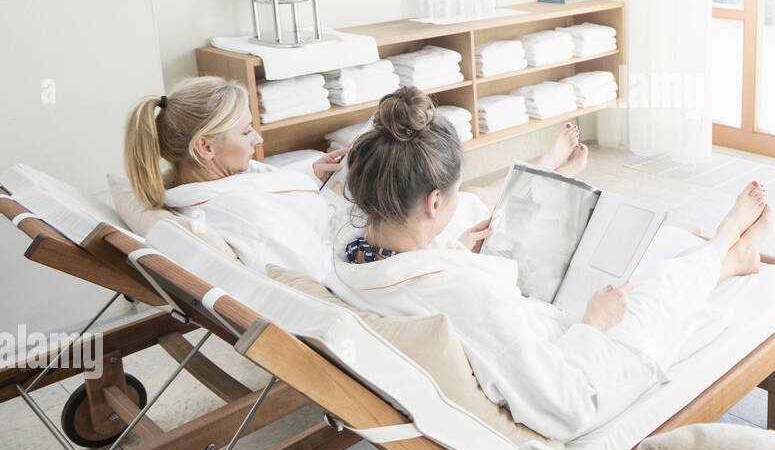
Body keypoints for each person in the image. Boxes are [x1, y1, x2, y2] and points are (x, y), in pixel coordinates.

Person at [331, 87, 774, 441]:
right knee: (655, 293)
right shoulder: (470, 297)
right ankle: (723, 249)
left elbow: (425, 289)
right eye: (454, 195)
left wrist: (454, 254)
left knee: (651, 278)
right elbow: (567, 406)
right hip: (581, 365)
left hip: (506, 319)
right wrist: (595, 325)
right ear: (433, 202)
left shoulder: (348, 254)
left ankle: (719, 258)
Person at [123, 76, 589, 280]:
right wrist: (446, 250)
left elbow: (267, 188)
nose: (257, 140)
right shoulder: (234, 213)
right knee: (477, 199)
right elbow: (334, 275)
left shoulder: (202, 188)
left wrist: (310, 174)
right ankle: (549, 169)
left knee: (473, 195)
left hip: (358, 216)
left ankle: (546, 166)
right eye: (245, 131)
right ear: (204, 147)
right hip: (382, 238)